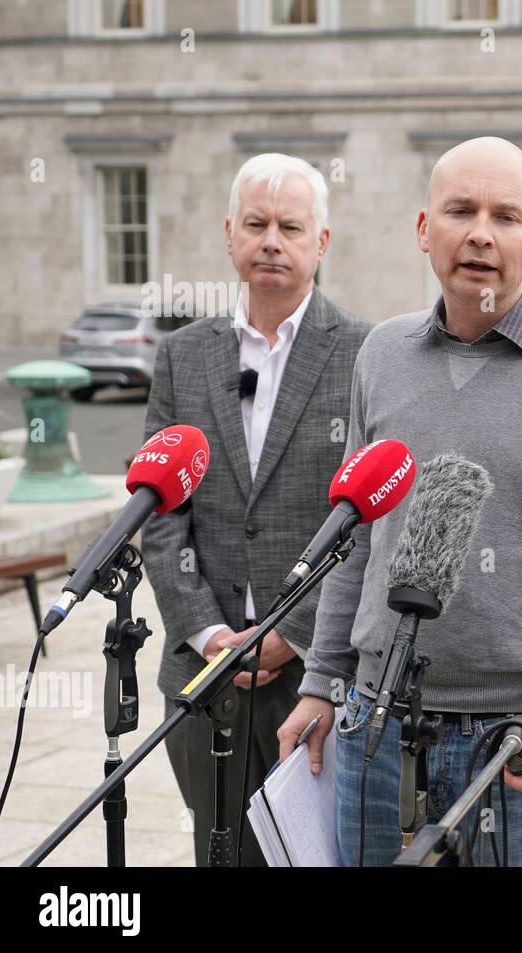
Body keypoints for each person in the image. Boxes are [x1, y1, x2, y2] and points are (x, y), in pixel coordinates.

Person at [277, 136, 522, 867]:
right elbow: (357, 539)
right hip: (376, 729)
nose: (481, 232)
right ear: (425, 230)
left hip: (520, 742)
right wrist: (323, 683)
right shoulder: (381, 355)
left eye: (506, 216)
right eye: (460, 210)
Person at [143, 153, 371, 865]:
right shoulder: (182, 356)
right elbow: (157, 510)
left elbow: (367, 521)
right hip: (202, 674)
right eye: (257, 224)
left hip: (314, 673)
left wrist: (290, 635)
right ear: (229, 236)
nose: (272, 240)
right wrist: (210, 633)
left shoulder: (367, 353)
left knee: (309, 856)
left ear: (321, 244)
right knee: (220, 854)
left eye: (291, 226)